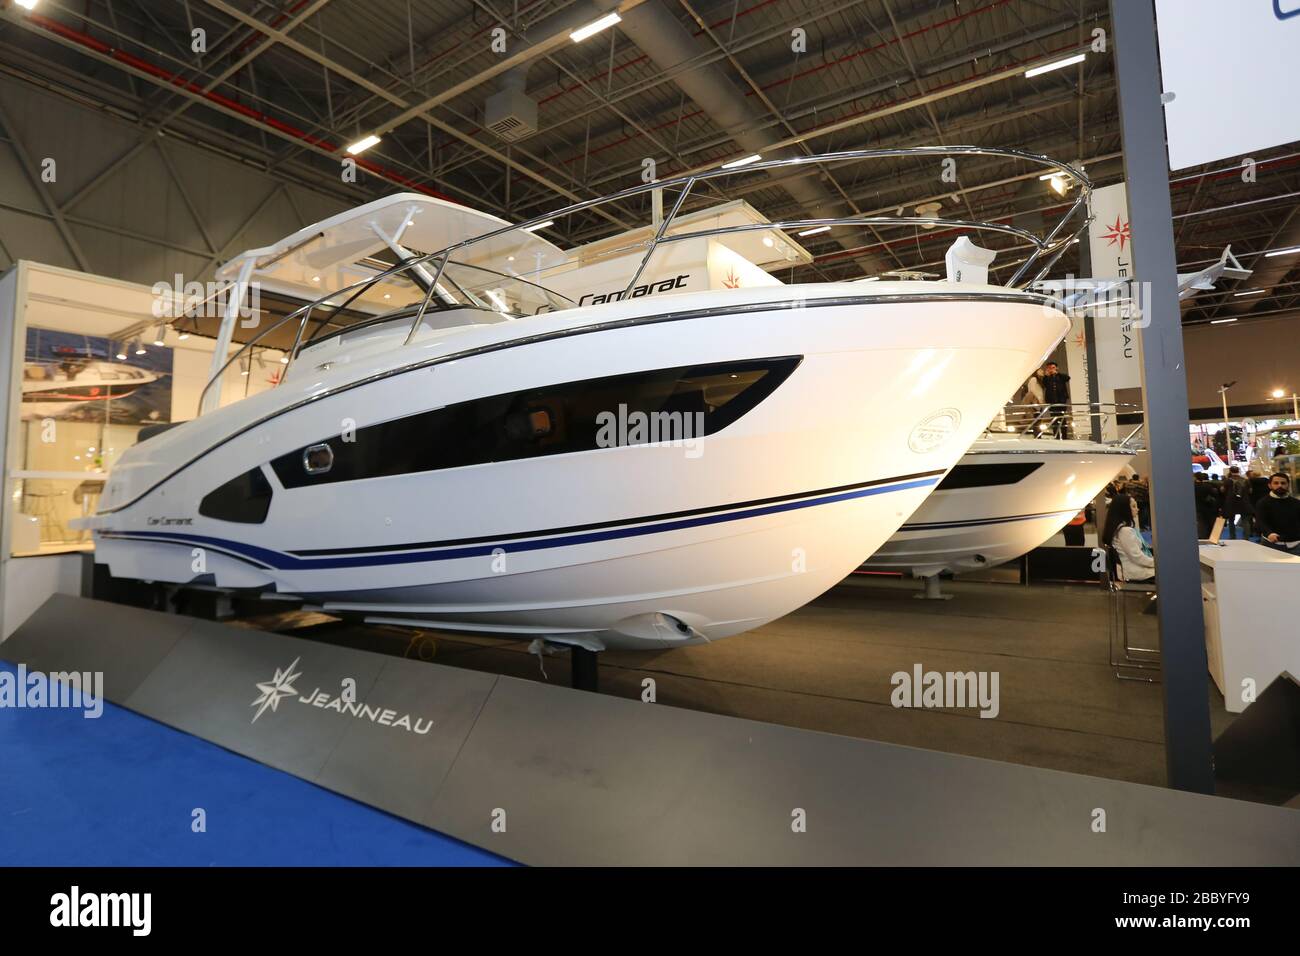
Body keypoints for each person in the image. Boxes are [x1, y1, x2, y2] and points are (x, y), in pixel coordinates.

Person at [1102, 492, 1155, 584]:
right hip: (1135, 572)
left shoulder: (1119, 528)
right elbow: (1137, 557)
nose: (1137, 509)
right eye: (1134, 506)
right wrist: (1157, 563)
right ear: (1124, 509)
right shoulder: (1125, 531)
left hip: (1132, 569)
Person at [1255, 472, 1300, 554]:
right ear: (1270, 485)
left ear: (1288, 485)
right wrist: (1269, 533)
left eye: (1283, 483)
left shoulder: (1296, 503)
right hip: (1271, 544)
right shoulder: (1262, 503)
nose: (1280, 485)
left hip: (1296, 544)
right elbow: (1260, 521)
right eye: (1276, 483)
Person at [1039, 362, 1071, 437]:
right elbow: (1044, 384)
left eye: (1053, 367)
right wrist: (1047, 375)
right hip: (1051, 402)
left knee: (1062, 419)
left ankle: (1064, 436)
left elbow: (1068, 378)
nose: (1051, 369)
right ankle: (1056, 436)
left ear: (1057, 368)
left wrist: (1057, 373)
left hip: (1061, 401)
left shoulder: (1061, 376)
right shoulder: (1046, 378)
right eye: (1049, 368)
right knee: (1054, 419)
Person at [1220, 466, 1253, 540]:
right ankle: (1246, 537)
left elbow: (1222, 490)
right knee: (1245, 520)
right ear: (1238, 470)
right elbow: (1250, 491)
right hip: (1244, 501)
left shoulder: (1227, 480)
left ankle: (1232, 537)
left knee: (1231, 520)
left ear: (1230, 471)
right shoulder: (1245, 480)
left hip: (1231, 502)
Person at [1193, 472, 1222, 539]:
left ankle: (1202, 537)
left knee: (1201, 523)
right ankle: (1212, 537)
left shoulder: (1193, 487)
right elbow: (1215, 495)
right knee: (1211, 523)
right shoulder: (1208, 486)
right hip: (1209, 507)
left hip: (1198, 507)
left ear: (1195, 477)